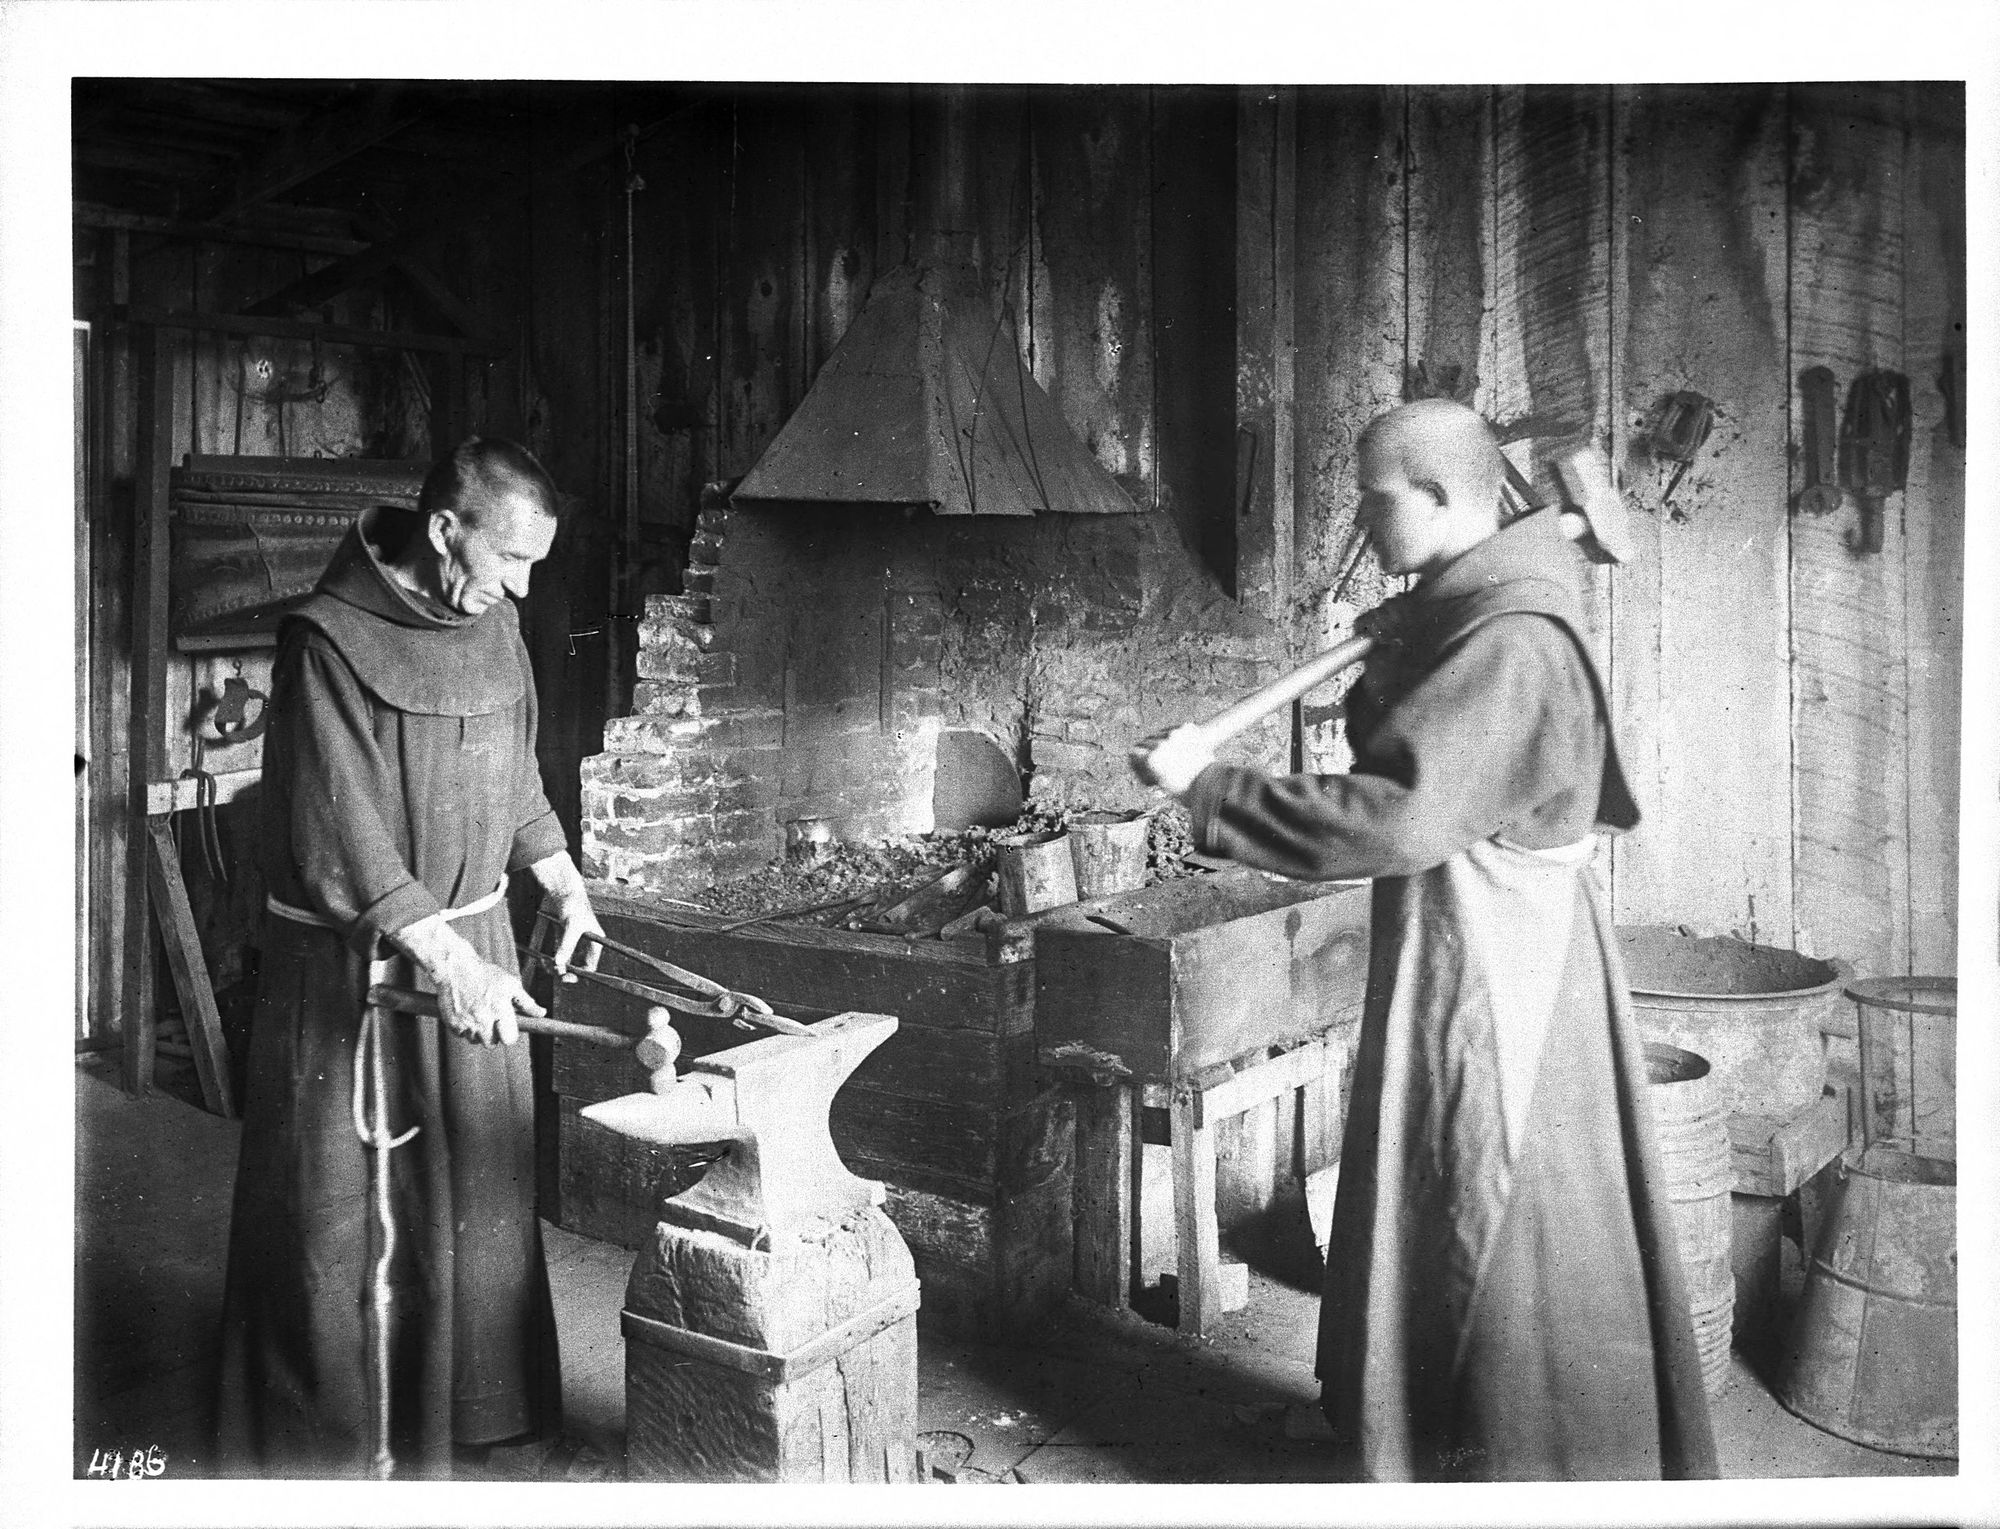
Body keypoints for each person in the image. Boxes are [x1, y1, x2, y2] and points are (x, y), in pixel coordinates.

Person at [1131, 399, 1718, 1482]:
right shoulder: (1476, 610)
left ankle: (1504, 1476)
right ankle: (1382, 1428)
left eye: (1372, 495)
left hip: (1502, 967)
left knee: (1488, 1209)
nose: (1359, 518)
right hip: (1454, 936)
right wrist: (1404, 637)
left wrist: (1211, 787)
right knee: (1413, 1179)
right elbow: (1412, 744)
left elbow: (1393, 813)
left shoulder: (1511, 640)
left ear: (1441, 495)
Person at [215, 437, 604, 1479]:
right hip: (362, 970)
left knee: (476, 1198)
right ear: (445, 531)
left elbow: (513, 772)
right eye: (510, 559)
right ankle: (338, 1453)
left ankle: (473, 1417)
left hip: (471, 947)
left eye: (535, 563)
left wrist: (564, 880)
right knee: (338, 1224)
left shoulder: (499, 623)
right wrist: (447, 960)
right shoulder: (328, 642)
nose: (523, 586)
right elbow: (338, 830)